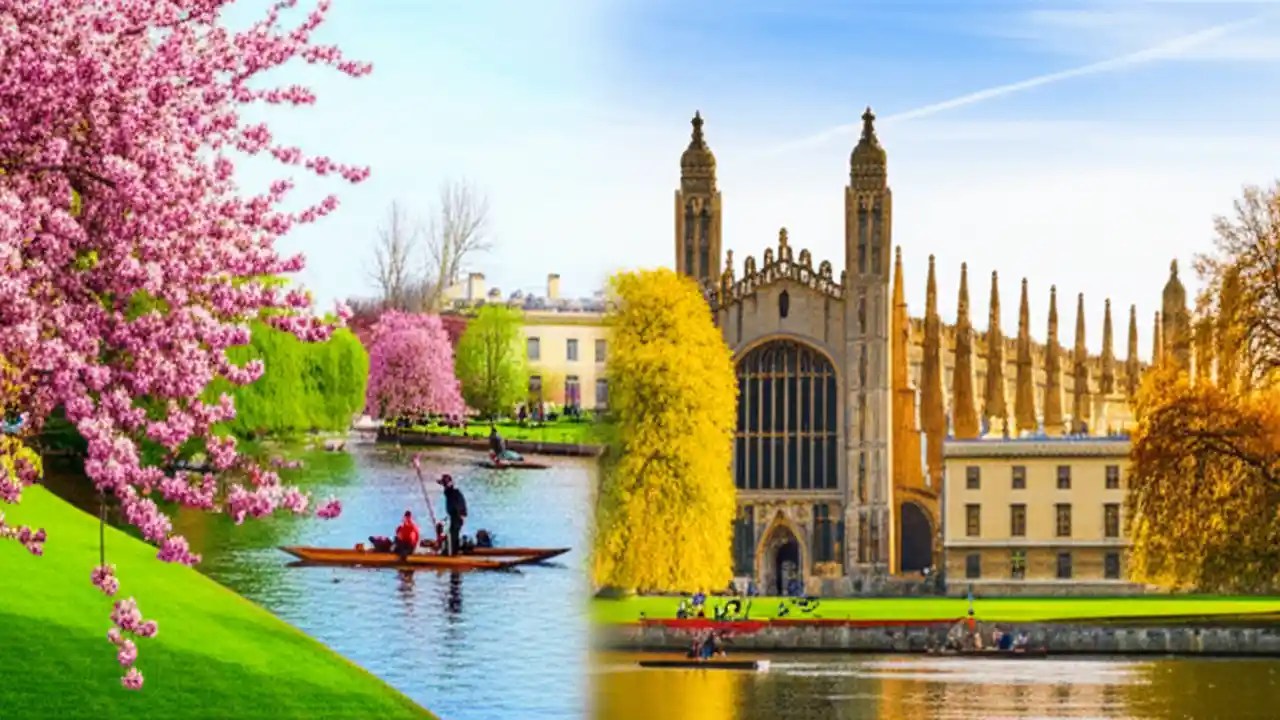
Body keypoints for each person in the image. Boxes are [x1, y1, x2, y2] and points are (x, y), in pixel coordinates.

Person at [440, 474, 467, 556]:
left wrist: (461, 515)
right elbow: (447, 492)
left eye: (445, 484)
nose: (444, 486)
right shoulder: (450, 492)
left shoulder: (455, 493)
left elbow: (460, 505)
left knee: (453, 534)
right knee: (452, 533)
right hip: (454, 516)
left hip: (457, 516)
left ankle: (454, 553)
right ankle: (453, 550)